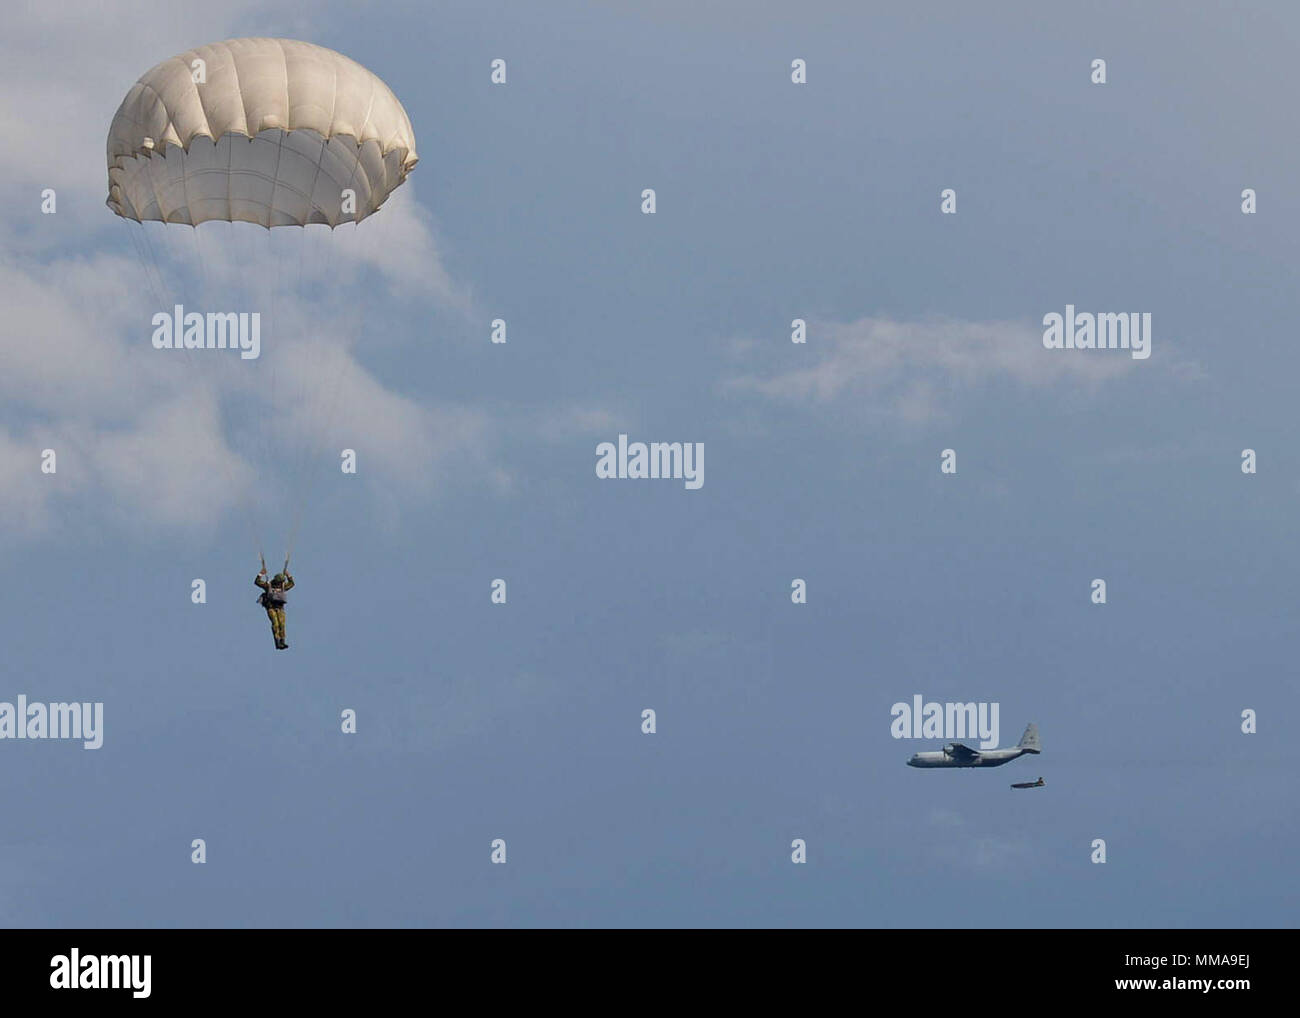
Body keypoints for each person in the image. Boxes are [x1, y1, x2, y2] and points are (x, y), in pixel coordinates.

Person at [255, 567, 295, 649]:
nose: (280, 584)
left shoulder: (283, 586)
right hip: (271, 608)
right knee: (275, 624)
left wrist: (289, 576)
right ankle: (277, 642)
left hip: (280, 608)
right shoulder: (268, 586)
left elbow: (291, 584)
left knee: (282, 624)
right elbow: (257, 582)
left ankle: (282, 641)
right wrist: (260, 574)